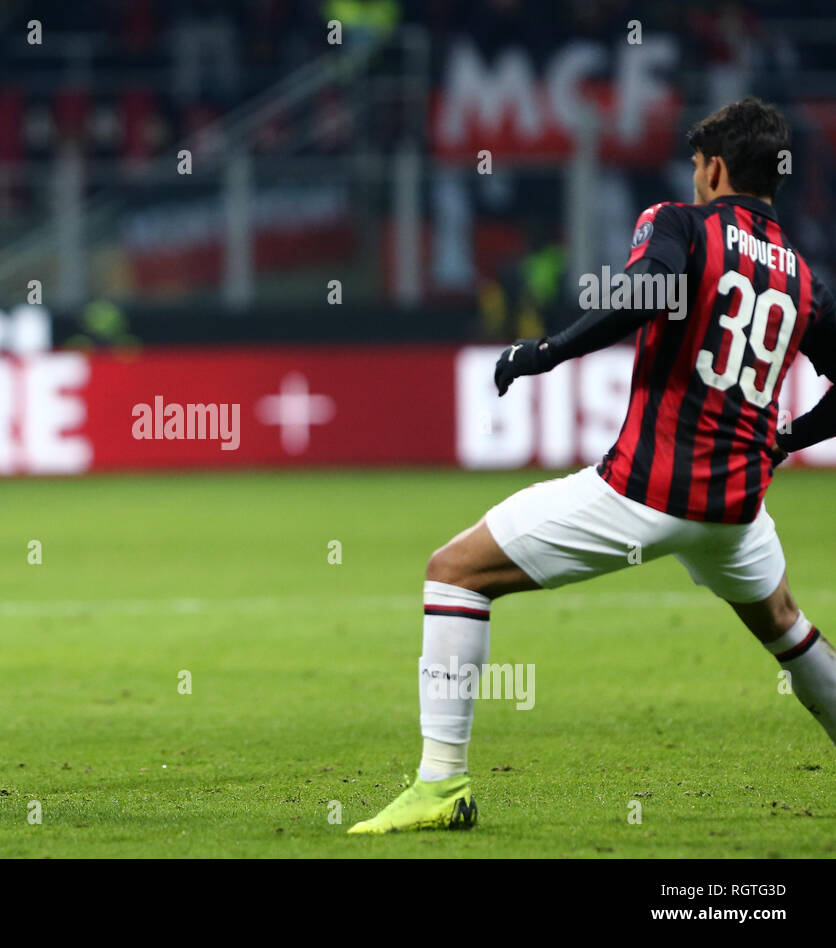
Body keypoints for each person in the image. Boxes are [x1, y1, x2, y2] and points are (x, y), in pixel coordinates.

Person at [351, 97, 836, 834]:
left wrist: (543, 351)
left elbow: (643, 295)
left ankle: (440, 785)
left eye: (698, 165)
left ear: (712, 168)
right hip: (737, 509)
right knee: (786, 627)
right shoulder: (804, 278)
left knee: (454, 572)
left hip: (648, 492)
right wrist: (789, 437)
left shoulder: (679, 222)